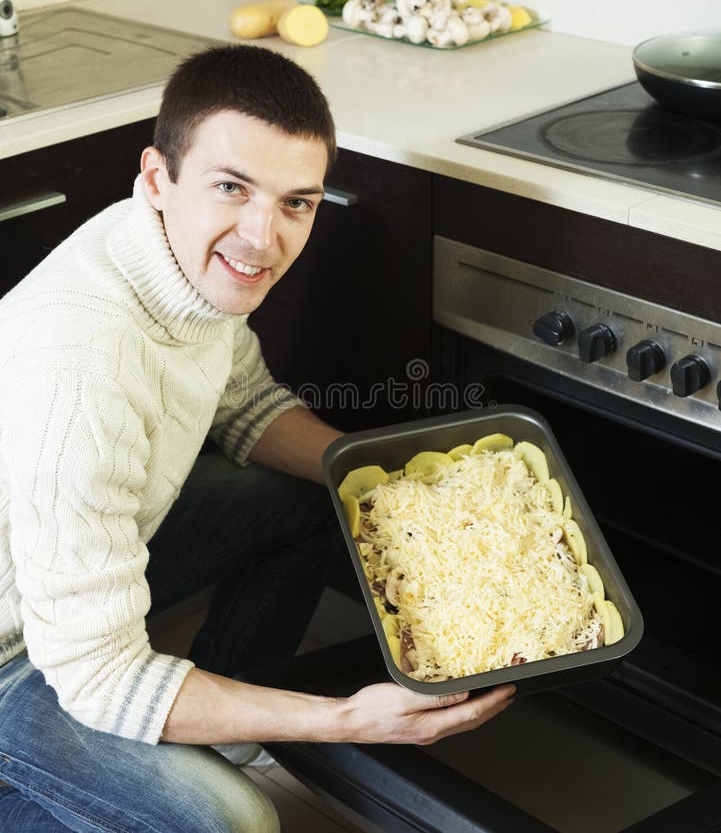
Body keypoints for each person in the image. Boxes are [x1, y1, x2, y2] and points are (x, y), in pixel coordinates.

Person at [0, 44, 515, 831]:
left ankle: (217, 720)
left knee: (326, 491)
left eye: (295, 203)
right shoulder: (82, 369)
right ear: (156, 177)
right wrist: (342, 719)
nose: (260, 237)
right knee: (233, 823)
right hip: (19, 650)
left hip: (71, 578)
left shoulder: (175, 256)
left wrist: (395, 478)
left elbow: (244, 406)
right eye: (232, 188)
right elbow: (99, 675)